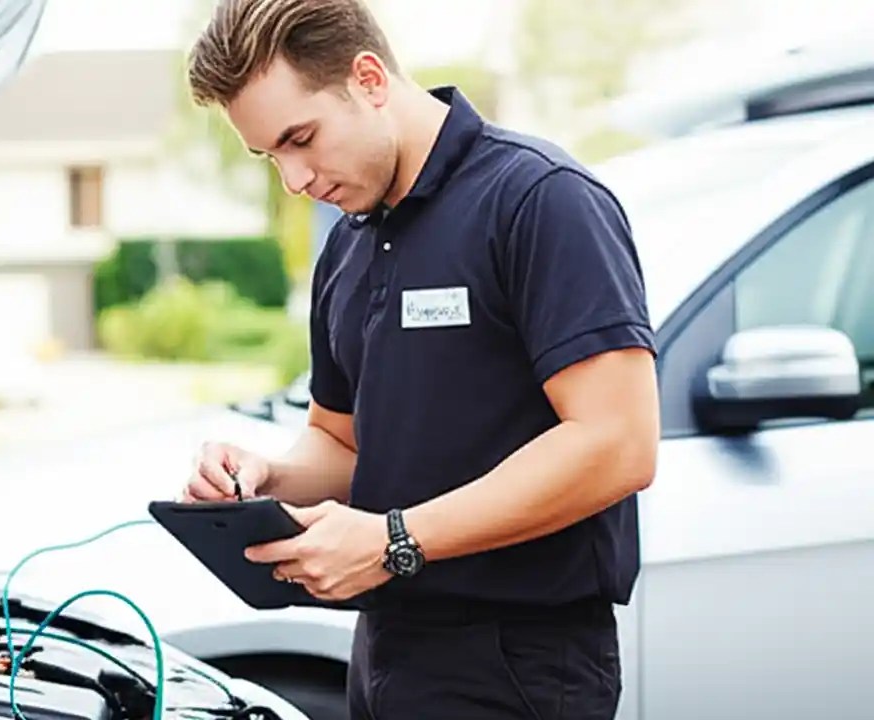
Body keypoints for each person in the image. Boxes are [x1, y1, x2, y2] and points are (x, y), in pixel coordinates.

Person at [178, 0, 660, 718]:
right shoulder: (346, 243)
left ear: (369, 79)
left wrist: (395, 539)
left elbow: (618, 445)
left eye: (301, 138)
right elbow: (342, 443)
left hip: (517, 663)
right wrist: (270, 474)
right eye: (271, 156)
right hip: (383, 652)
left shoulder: (539, 201)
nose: (295, 180)